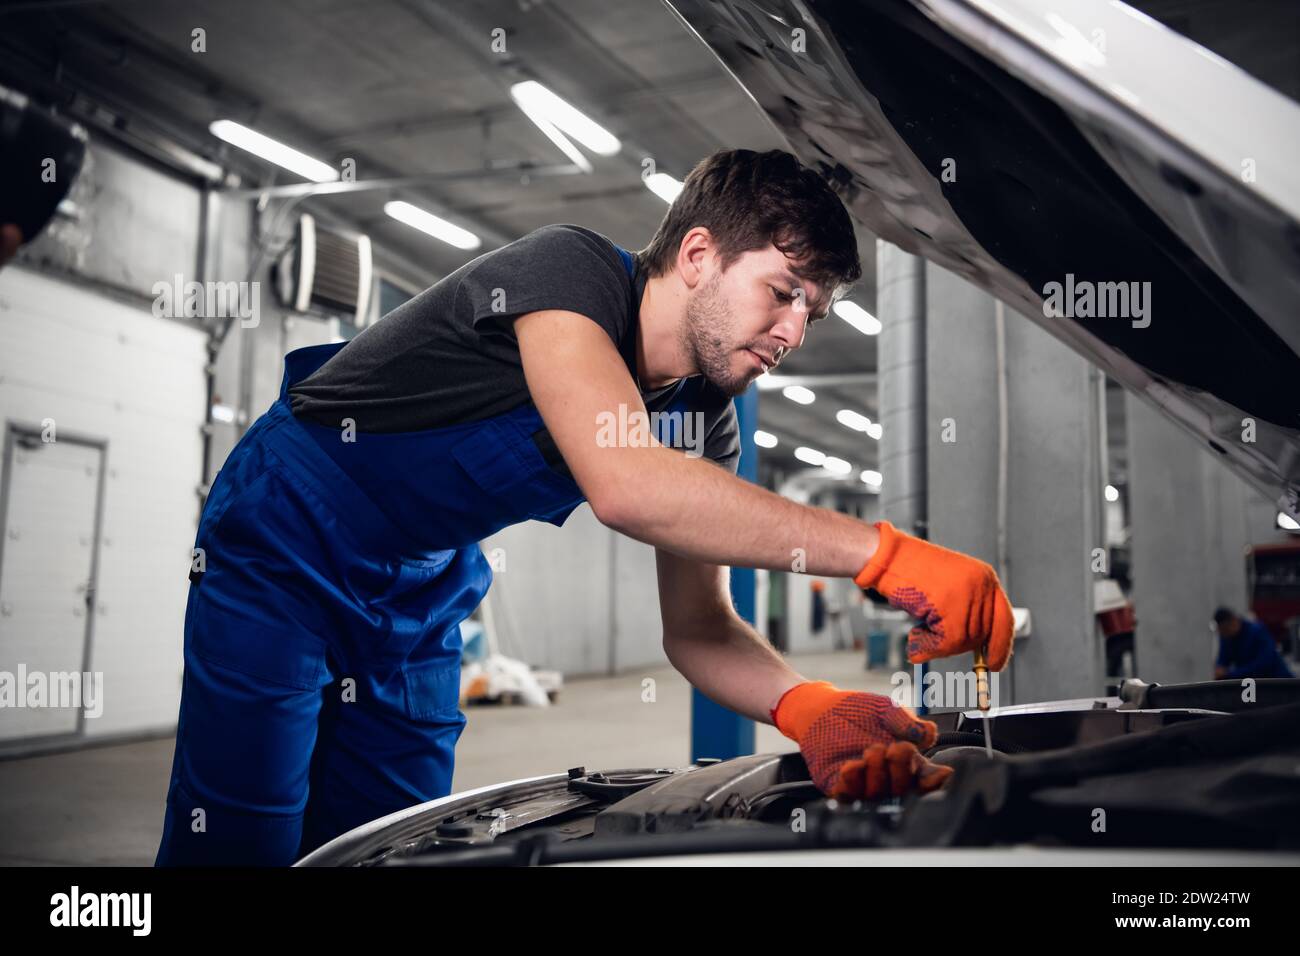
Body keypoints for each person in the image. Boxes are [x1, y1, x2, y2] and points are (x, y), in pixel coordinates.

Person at [155, 148, 1015, 866]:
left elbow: (701, 628)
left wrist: (807, 705)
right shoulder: (567, 273)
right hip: (289, 528)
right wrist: (886, 555)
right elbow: (626, 484)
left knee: (388, 839)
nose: (794, 332)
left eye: (814, 313)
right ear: (698, 256)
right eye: (784, 290)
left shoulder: (702, 420)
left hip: (415, 589)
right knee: (244, 829)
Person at [1212, 607, 1294, 680]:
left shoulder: (1257, 631)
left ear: (1233, 621)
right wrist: (1220, 669)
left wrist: (1231, 674)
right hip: (1254, 686)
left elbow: (1265, 663)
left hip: (1278, 681)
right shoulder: (1226, 636)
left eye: (1225, 629)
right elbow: (1223, 659)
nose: (1223, 634)